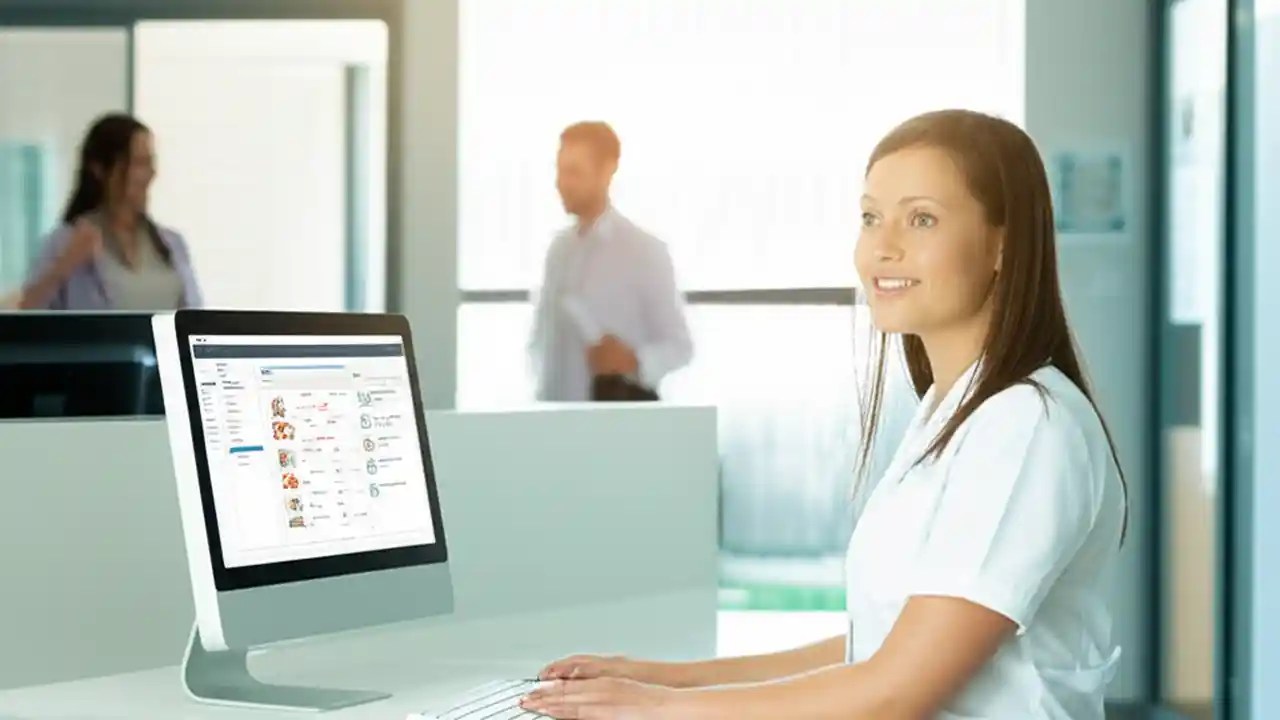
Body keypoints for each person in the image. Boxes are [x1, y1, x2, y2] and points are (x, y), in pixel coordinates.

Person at [521, 109, 1129, 719]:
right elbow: (879, 649)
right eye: (870, 218)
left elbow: (896, 690)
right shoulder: (952, 412)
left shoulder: (1025, 424)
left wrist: (652, 708)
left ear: (1003, 243)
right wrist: (667, 680)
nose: (883, 247)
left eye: (921, 218)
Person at [528, 121, 693, 402]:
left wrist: (633, 361)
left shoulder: (644, 251)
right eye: (559, 170)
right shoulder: (557, 251)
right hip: (552, 416)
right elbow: (540, 342)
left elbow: (680, 346)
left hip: (614, 420)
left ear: (607, 171)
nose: (561, 183)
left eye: (574, 172)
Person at [18, 113, 202, 310]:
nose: (150, 173)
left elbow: (194, 315)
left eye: (150, 162)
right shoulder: (66, 243)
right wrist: (65, 264)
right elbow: (24, 312)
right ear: (99, 169)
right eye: (139, 163)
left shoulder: (171, 244)